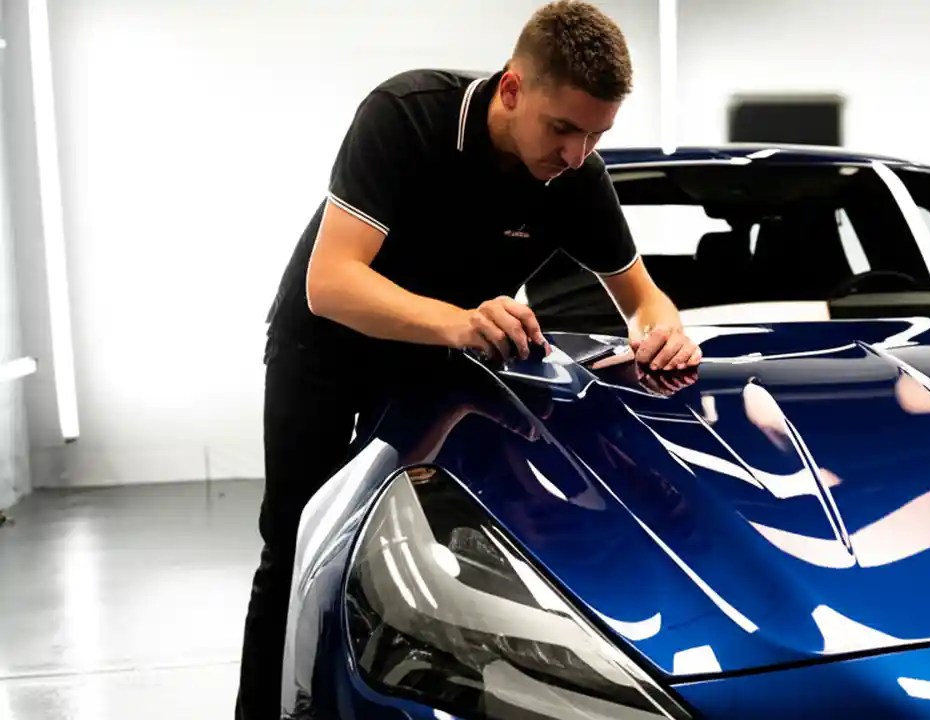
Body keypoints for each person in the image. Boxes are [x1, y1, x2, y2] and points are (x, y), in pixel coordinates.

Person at [233, 2, 701, 717]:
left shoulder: (576, 176)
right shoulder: (406, 115)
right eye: (564, 128)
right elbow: (331, 283)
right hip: (324, 348)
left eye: (597, 135)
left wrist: (663, 328)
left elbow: (644, 299)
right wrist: (461, 322)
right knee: (295, 547)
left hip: (435, 360)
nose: (576, 155)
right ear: (512, 89)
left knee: (418, 555)